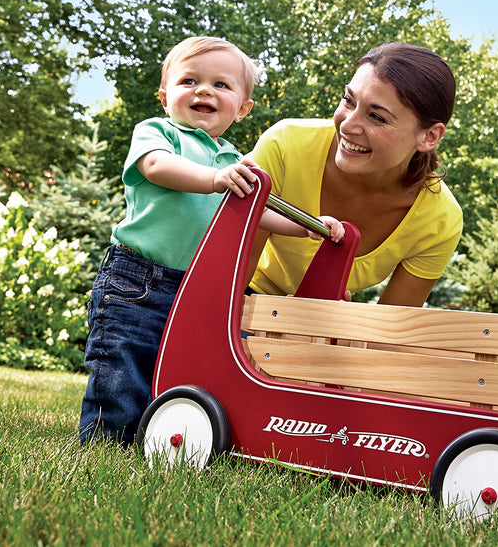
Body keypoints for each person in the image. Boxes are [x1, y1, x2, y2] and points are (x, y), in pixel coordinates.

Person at [77, 36, 339, 446]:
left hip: (195, 287)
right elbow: (157, 167)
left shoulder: (233, 158)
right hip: (137, 279)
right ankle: (106, 444)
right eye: (188, 81)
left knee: (182, 364)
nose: (203, 90)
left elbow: (257, 214)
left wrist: (304, 226)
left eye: (221, 85)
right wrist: (214, 180)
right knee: (124, 363)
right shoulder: (158, 133)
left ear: (242, 108)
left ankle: (159, 439)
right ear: (165, 97)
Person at [223, 42, 463, 307]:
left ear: (429, 136)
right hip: (240, 303)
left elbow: (386, 331)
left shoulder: (440, 220)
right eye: (349, 101)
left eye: (377, 117)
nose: (347, 125)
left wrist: (341, 328)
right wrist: (283, 316)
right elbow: (225, 282)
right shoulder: (285, 146)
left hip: (321, 324)